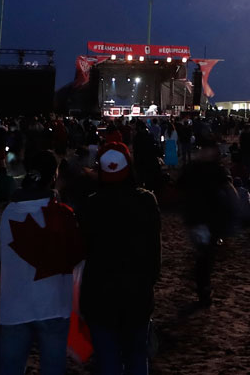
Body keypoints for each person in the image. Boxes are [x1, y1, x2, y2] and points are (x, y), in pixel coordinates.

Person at [0, 151, 83, 375]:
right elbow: (76, 257)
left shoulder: (9, 213)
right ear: (54, 176)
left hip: (14, 307)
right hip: (53, 306)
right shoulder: (62, 215)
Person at [80, 140, 161, 374]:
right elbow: (154, 253)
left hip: (100, 296)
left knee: (108, 360)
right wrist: (148, 281)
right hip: (137, 293)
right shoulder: (146, 201)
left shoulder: (91, 205)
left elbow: (84, 249)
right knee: (137, 357)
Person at [178, 138, 233, 306]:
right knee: (205, 254)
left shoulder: (210, 168)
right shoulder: (201, 168)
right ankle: (203, 287)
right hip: (199, 217)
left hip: (209, 217)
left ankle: (202, 283)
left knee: (207, 253)